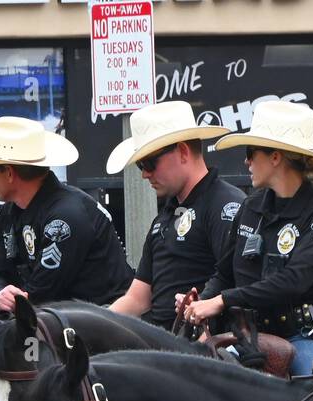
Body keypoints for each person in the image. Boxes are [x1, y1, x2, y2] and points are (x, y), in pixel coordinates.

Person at [186, 100, 313, 391]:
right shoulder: (251, 205)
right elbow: (224, 273)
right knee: (194, 387)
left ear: (276, 157)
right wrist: (200, 303)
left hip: (303, 337)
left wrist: (221, 300)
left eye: (251, 153)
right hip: (246, 334)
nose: (246, 162)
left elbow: (293, 281)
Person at [0, 116, 133, 316]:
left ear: (10, 173)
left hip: (106, 330)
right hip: (63, 326)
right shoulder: (9, 214)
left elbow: (40, 299)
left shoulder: (65, 217)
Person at [104, 101, 243, 329]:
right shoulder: (165, 216)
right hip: (159, 343)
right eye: (140, 165)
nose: (145, 174)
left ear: (182, 151)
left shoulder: (225, 205)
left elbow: (234, 284)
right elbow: (137, 299)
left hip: (198, 347)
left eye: (150, 163)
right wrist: (91, 324)